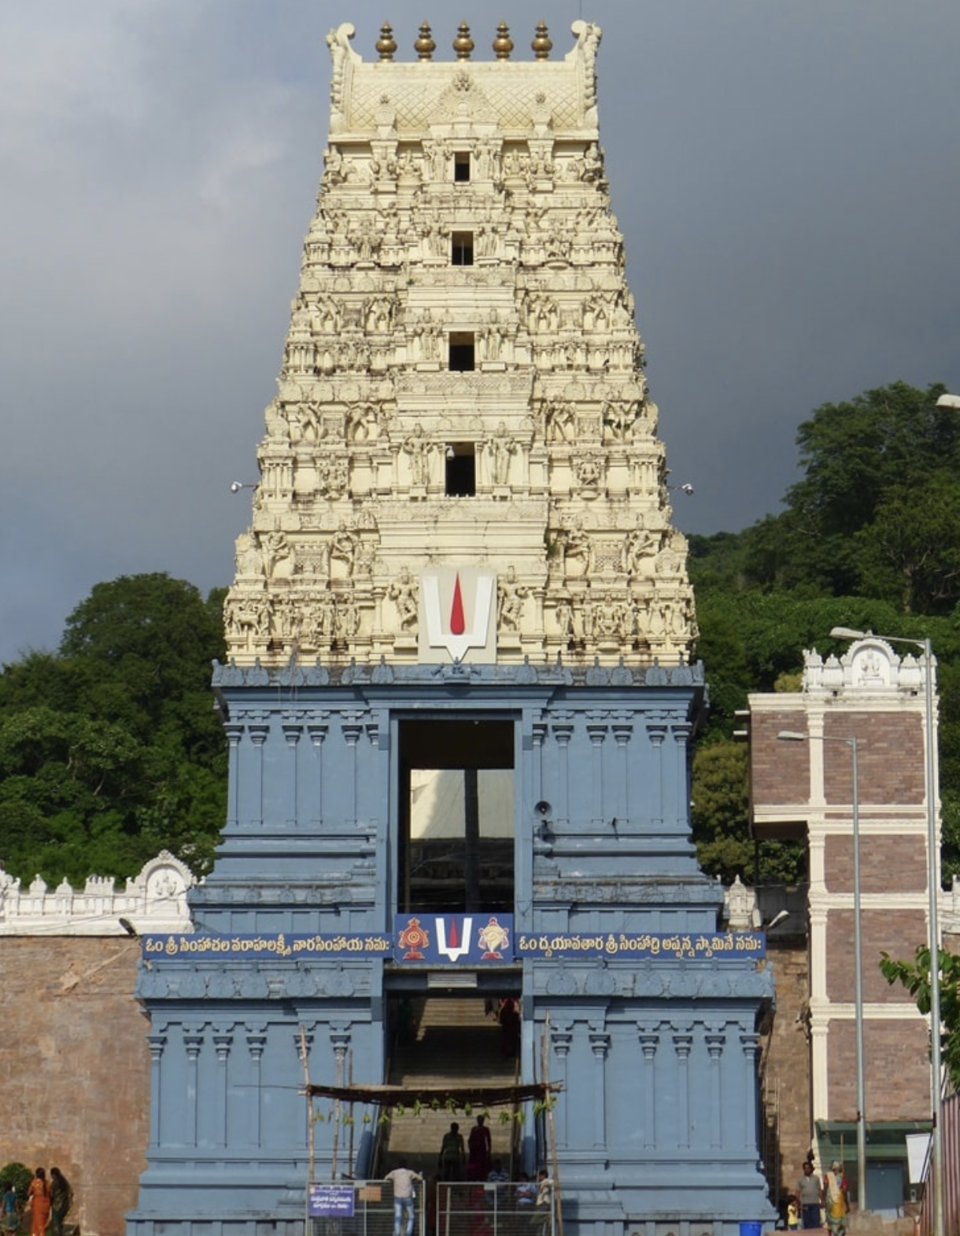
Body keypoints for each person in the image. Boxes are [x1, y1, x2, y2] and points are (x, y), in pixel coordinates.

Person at [384, 1161, 423, 1236]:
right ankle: (408, 1233)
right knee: (411, 1216)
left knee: (398, 1216)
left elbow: (386, 1177)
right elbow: (420, 1178)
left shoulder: (394, 1173)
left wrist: (392, 1181)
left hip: (397, 1197)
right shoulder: (409, 1173)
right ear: (406, 1166)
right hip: (407, 1197)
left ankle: (397, 1233)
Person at [822, 1161, 849, 1236]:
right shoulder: (843, 1177)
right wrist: (847, 1204)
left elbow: (825, 1189)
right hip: (839, 1200)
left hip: (830, 1201)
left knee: (830, 1220)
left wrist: (823, 1200)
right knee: (839, 1220)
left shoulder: (827, 1176)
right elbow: (844, 1191)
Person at [797, 1161, 821, 1230]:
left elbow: (819, 1190)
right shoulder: (800, 1180)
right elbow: (797, 1192)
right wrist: (798, 1204)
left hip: (815, 1203)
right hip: (805, 1204)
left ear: (811, 1169)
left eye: (808, 1168)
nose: (807, 1170)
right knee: (807, 1224)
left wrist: (823, 1201)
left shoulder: (816, 1178)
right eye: (805, 1168)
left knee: (816, 1223)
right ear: (803, 1169)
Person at [26, 1169, 51, 1236]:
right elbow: (51, 1194)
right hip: (46, 1205)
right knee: (42, 1222)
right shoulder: (47, 1183)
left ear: (36, 1174)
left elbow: (28, 1193)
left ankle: (39, 1234)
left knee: (38, 1222)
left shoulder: (34, 1183)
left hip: (37, 1205)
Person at [467, 1114, 492, 1180]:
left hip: (482, 1150)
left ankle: (481, 1179)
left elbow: (488, 1140)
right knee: (473, 1167)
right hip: (474, 1151)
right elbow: (470, 1139)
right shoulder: (474, 1129)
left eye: (481, 1120)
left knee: (482, 1166)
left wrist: (489, 1151)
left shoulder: (485, 1129)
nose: (480, 1121)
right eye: (479, 1120)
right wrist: (470, 1147)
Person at [49, 1169, 72, 1236]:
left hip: (57, 1206)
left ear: (53, 1175)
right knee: (60, 1222)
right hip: (65, 1205)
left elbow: (51, 1194)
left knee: (56, 1224)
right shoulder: (65, 1182)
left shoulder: (55, 1183)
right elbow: (71, 1192)